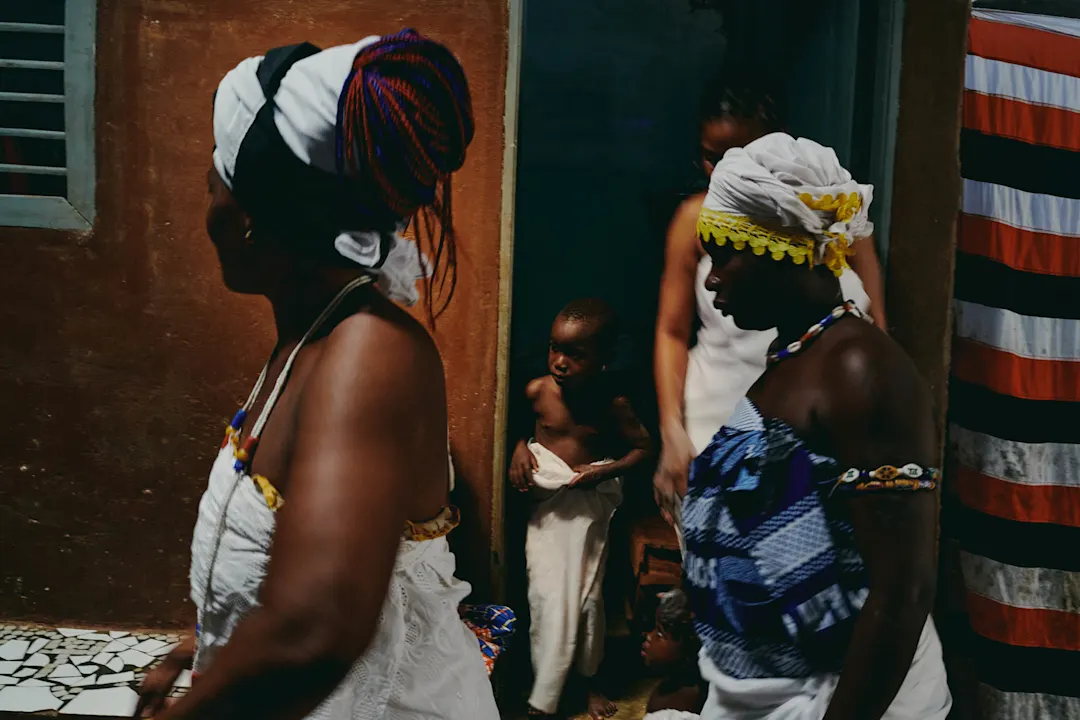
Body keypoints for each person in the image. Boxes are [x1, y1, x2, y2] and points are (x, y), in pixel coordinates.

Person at [133, 31, 499, 720]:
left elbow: (316, 623)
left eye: (213, 186)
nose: (205, 206)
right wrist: (206, 647)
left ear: (249, 220)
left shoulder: (368, 352)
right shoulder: (311, 340)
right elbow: (290, 564)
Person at [681, 132, 951, 719]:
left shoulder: (860, 371)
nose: (710, 280)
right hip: (770, 694)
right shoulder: (796, 356)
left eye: (723, 254)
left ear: (780, 248)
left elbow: (903, 590)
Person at [652, 68, 887, 540]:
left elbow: (877, 324)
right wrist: (673, 435)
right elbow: (671, 332)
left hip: (818, 421)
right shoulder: (693, 220)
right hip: (718, 413)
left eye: (737, 155)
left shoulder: (832, 214)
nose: (721, 173)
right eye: (709, 157)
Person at [509, 299, 653, 720]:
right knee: (549, 598)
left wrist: (602, 473)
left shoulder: (615, 405)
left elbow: (643, 449)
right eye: (555, 348)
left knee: (588, 603)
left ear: (604, 359)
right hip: (548, 512)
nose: (560, 362)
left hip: (587, 510)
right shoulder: (537, 392)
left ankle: (585, 681)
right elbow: (513, 428)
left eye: (575, 354)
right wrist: (520, 449)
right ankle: (545, 694)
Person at [642, 589, 706, 720]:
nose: (649, 636)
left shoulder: (682, 707)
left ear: (688, 646)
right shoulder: (669, 688)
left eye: (660, 633)